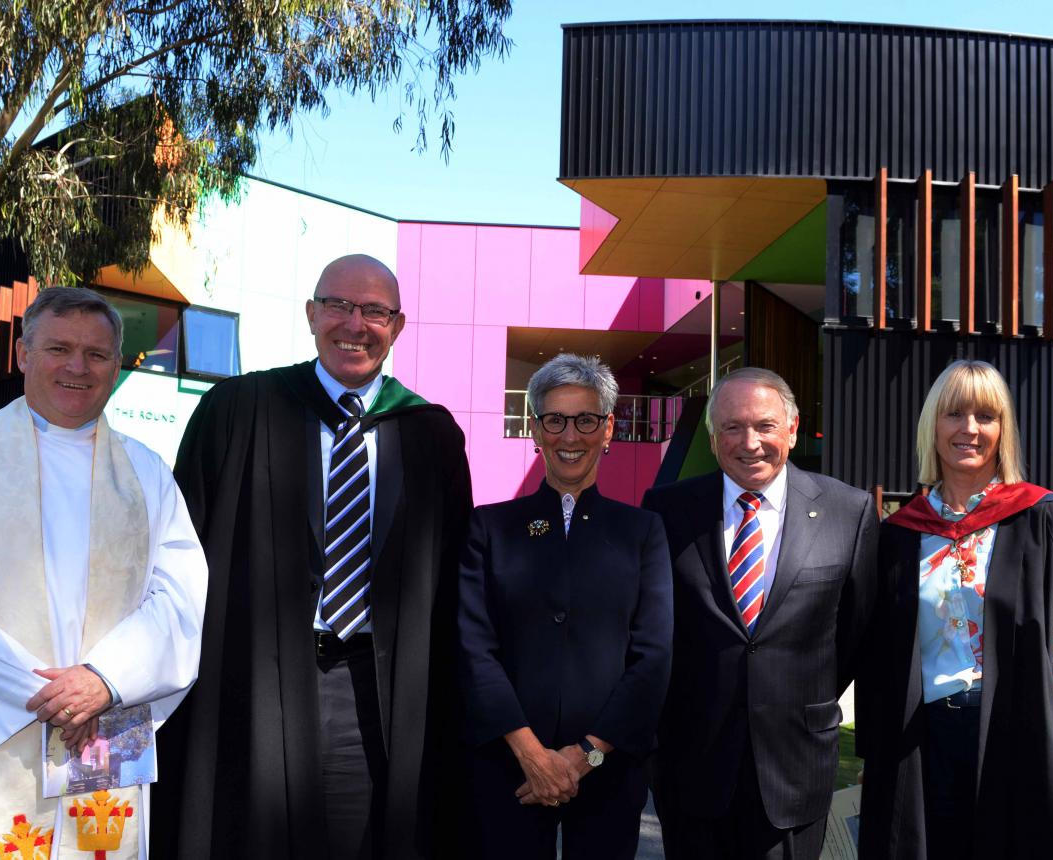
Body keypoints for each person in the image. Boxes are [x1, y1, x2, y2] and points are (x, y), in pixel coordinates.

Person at [150, 254, 474, 859]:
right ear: (311, 314)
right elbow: (174, 558)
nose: (355, 324)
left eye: (375, 311)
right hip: (254, 685)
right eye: (339, 306)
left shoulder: (431, 435)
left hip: (372, 696)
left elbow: (457, 583)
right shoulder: (237, 410)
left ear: (397, 326)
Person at [0, 287, 209, 860]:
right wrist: (47, 694)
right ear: (22, 355)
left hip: (107, 727)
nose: (77, 367)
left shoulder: (147, 472)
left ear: (116, 365)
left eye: (96, 354)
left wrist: (105, 681)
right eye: (59, 348)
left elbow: (181, 598)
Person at [856, 359, 1053, 859]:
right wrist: (877, 752)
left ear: (1004, 430)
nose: (969, 429)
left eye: (986, 417)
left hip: (1021, 739)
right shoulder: (900, 534)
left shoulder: (1043, 520)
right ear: (933, 425)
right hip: (922, 743)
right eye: (954, 414)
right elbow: (881, 656)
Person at [641, 367, 878, 859]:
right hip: (692, 765)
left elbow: (857, 633)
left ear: (792, 429)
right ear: (712, 436)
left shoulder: (847, 511)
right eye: (732, 427)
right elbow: (652, 628)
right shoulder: (666, 511)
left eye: (765, 426)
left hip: (795, 768)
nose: (749, 442)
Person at [459, 354, 673, 859]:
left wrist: (584, 758)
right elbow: (473, 648)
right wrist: (531, 754)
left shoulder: (643, 532)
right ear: (536, 427)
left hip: (609, 767)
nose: (570, 436)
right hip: (507, 767)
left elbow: (653, 657)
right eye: (555, 419)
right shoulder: (489, 528)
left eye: (585, 420)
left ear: (608, 429)